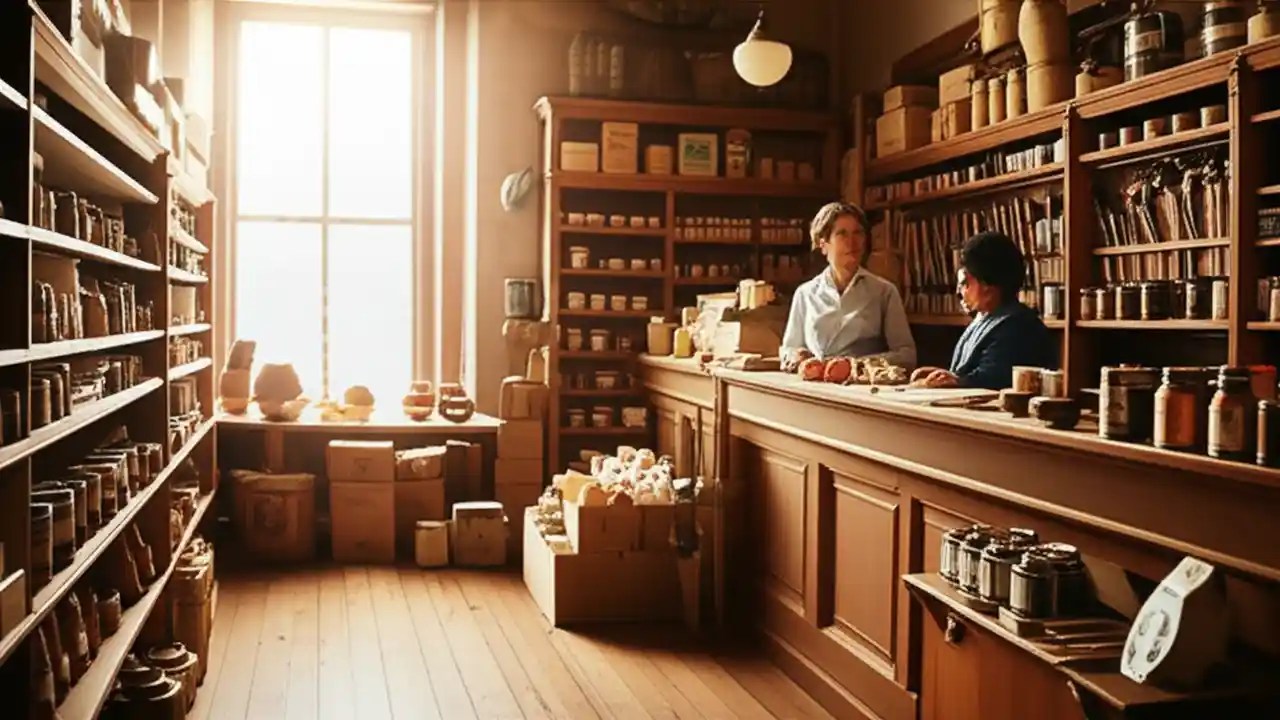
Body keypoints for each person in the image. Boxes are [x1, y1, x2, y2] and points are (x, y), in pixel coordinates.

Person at [780, 201, 916, 370]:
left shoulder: (884, 292)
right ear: (823, 245)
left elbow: (906, 355)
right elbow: (789, 348)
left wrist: (855, 365)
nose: (853, 242)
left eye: (858, 233)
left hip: (860, 387)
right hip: (814, 385)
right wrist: (795, 355)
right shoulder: (805, 293)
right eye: (842, 234)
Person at [911, 231, 1054, 390]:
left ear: (988, 286)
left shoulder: (1019, 327)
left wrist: (956, 382)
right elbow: (969, 372)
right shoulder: (984, 318)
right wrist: (944, 375)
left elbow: (993, 379)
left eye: (966, 284)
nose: (960, 292)